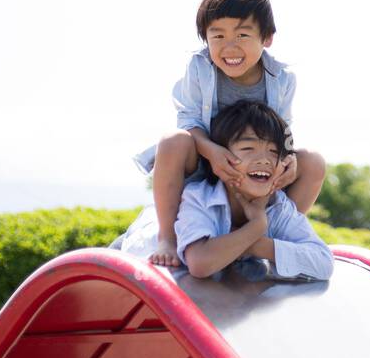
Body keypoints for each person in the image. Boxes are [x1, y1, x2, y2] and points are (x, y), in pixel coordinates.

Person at [131, 0, 326, 268]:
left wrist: (288, 156)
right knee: (173, 141)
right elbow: (190, 120)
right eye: (217, 35)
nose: (229, 46)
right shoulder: (200, 68)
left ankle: (263, 236)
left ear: (267, 38)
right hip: (203, 156)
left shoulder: (282, 78)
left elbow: (282, 127)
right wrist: (211, 151)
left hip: (251, 162)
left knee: (312, 162)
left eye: (243, 35)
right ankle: (168, 239)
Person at [115, 99, 334, 282]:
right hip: (138, 256)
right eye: (248, 149)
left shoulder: (278, 206)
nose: (263, 160)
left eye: (273, 151)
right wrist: (256, 228)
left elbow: (323, 263)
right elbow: (199, 263)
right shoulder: (199, 197)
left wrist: (254, 246)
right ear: (220, 162)